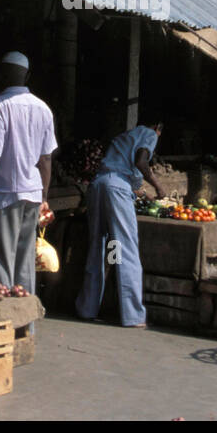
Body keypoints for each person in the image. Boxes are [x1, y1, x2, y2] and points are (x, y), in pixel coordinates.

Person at [0, 52, 57, 296]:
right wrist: (43, 196)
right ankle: (25, 321)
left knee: (1, 260)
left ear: (2, 74)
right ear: (27, 75)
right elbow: (46, 159)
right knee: (25, 262)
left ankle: (8, 319)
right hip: (32, 194)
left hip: (3, 195)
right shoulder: (43, 108)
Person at [75, 122, 166, 327]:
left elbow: (114, 173)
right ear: (158, 127)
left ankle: (88, 308)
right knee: (126, 248)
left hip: (98, 186)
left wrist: (143, 193)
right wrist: (159, 186)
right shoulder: (149, 134)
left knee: (100, 245)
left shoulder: (125, 136)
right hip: (116, 190)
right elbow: (141, 162)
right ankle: (132, 315)